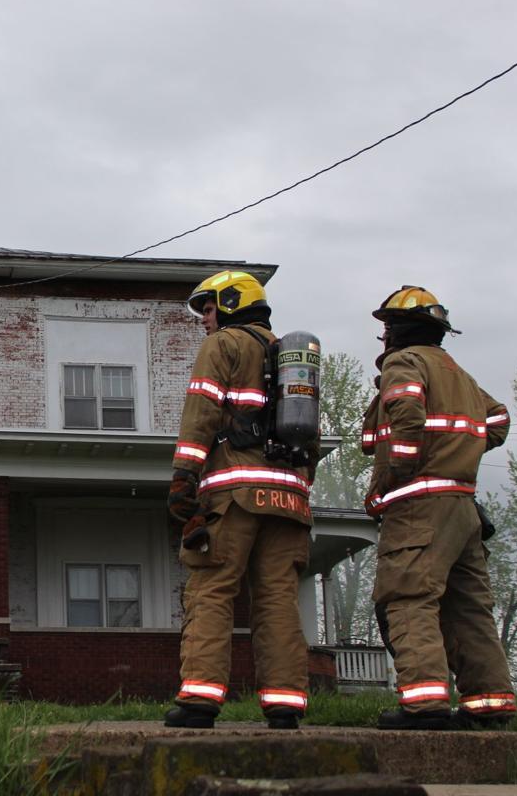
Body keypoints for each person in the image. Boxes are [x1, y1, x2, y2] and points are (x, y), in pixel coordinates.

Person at [164, 270, 315, 731]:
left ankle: (200, 700)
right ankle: (285, 704)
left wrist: (184, 479)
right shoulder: (292, 361)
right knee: (278, 599)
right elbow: (310, 439)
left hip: (234, 495)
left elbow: (201, 415)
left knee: (211, 589)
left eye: (208, 308)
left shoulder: (224, 345)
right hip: (289, 502)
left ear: (230, 303)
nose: (204, 320)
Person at [363, 285, 516, 731]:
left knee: (408, 596)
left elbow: (407, 417)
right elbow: (499, 418)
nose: (384, 338)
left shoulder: (404, 362)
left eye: (386, 328)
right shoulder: (459, 374)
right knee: (468, 606)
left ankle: (425, 705)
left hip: (420, 508)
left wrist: (398, 472)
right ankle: (490, 702)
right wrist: (460, 452)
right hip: (463, 508)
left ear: (398, 329)